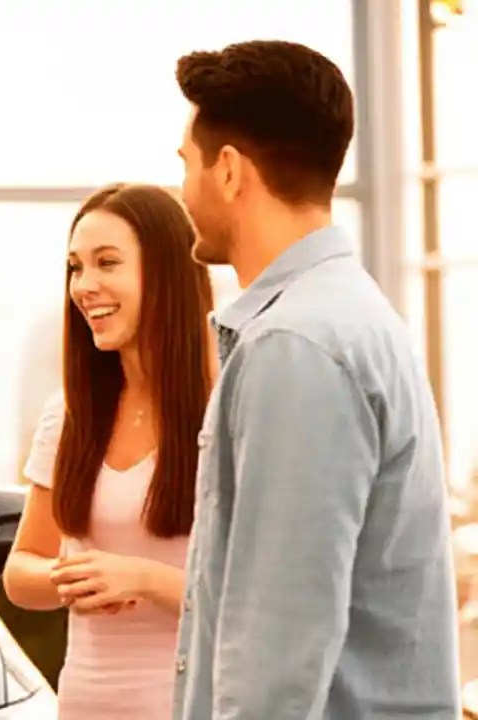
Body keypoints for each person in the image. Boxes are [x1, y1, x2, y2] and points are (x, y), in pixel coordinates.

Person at [172, 40, 461, 719]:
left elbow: (278, 650)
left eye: (185, 165)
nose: (182, 189)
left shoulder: (295, 346)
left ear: (231, 172)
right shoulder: (345, 316)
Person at [2, 182, 216, 719]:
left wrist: (141, 578)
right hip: (86, 703)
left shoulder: (229, 411)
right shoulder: (71, 414)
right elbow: (21, 568)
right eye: (76, 267)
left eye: (107, 263)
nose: (84, 286)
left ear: (165, 273)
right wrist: (69, 577)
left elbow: (258, 600)